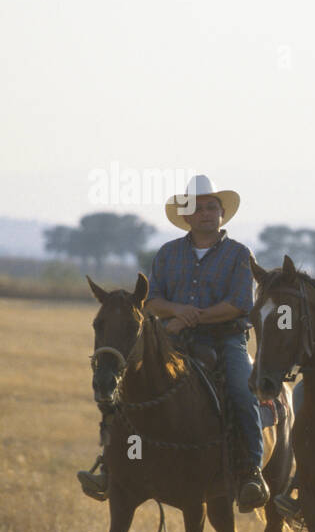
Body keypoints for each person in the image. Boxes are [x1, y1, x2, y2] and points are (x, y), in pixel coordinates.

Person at [76, 174, 270, 512]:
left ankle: (251, 471)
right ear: (186, 216)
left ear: (222, 214)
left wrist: (190, 317)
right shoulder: (167, 254)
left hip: (227, 340)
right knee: (128, 387)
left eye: (212, 207)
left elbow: (240, 303)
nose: (206, 213)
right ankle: (110, 467)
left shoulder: (240, 254)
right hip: (172, 339)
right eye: (198, 208)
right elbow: (151, 302)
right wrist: (177, 312)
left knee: (241, 389)